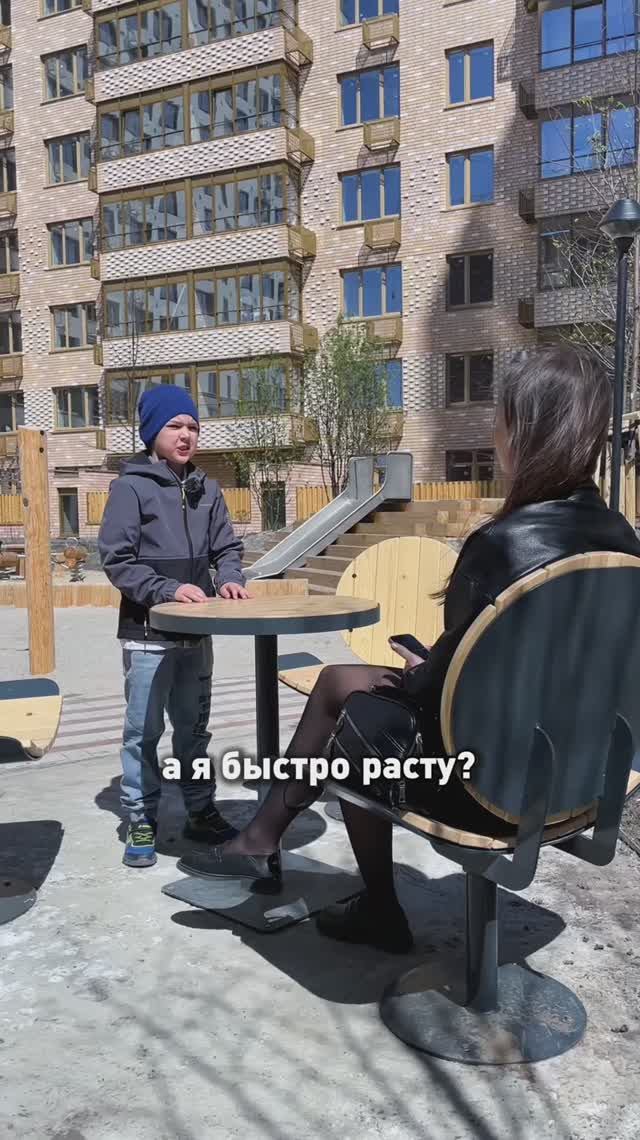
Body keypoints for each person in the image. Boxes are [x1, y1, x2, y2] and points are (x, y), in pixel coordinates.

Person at [177, 346, 640, 951]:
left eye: (500, 419)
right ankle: (264, 834)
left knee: (358, 723)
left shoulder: (505, 543)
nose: (493, 433)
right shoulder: (621, 540)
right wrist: (435, 670)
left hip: (487, 784)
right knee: (340, 680)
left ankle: (363, 899)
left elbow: (458, 690)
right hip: (584, 777)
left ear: (529, 432)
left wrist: (424, 672)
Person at [98, 385, 249, 868]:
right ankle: (141, 818)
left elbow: (227, 549)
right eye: (174, 426)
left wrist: (229, 578)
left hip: (196, 635)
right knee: (143, 732)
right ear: (151, 432)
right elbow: (117, 560)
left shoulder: (208, 489)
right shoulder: (130, 487)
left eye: (193, 427)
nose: (186, 435)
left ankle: (200, 810)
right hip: (148, 636)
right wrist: (167, 589)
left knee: (194, 730)